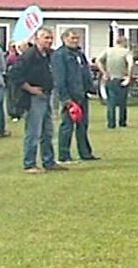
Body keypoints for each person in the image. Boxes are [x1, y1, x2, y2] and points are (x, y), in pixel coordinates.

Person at [10, 28, 65, 174]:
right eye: (46, 38)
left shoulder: (50, 55)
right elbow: (14, 74)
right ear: (37, 39)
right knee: (33, 132)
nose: (49, 41)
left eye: (51, 38)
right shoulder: (29, 55)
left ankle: (49, 161)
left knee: (48, 131)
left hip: (47, 95)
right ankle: (29, 164)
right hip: (34, 98)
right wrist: (30, 88)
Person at [52, 29, 100, 163]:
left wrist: (90, 88)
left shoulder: (79, 54)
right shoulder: (60, 55)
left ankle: (85, 153)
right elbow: (59, 78)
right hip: (70, 95)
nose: (75, 41)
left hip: (82, 94)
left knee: (83, 125)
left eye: (77, 38)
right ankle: (64, 155)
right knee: (67, 125)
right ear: (64, 39)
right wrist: (65, 98)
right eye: (72, 38)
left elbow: (85, 71)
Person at [97, 35, 134, 129]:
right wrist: (129, 76)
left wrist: (104, 72)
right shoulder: (126, 52)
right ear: (124, 42)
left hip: (111, 78)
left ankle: (111, 123)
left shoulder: (108, 51)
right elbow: (130, 64)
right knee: (122, 103)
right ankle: (122, 122)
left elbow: (98, 60)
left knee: (111, 102)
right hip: (122, 78)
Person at [5, 42, 25, 121]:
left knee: (16, 96)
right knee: (12, 96)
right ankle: (14, 113)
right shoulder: (11, 56)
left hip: (18, 78)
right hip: (12, 78)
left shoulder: (18, 56)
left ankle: (17, 112)